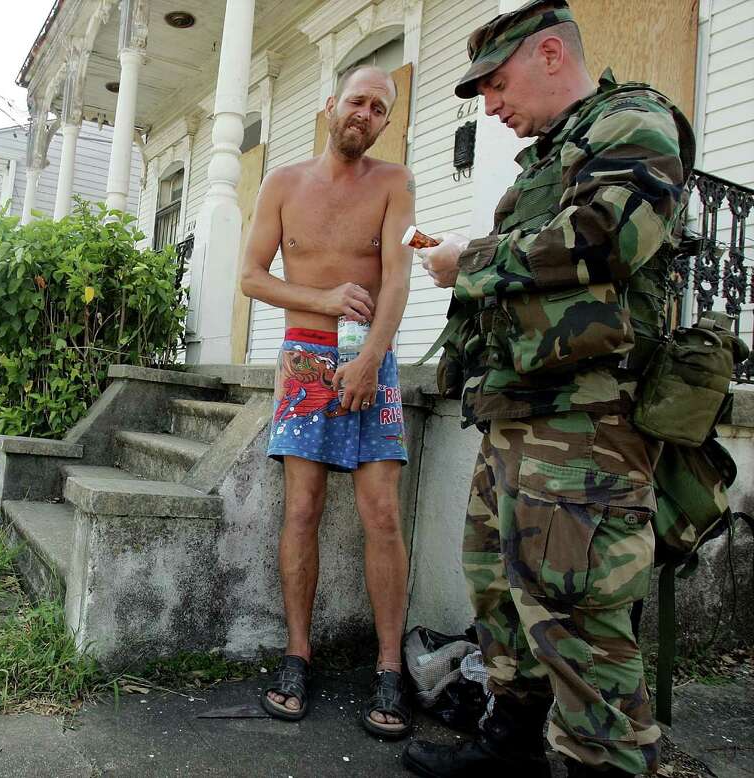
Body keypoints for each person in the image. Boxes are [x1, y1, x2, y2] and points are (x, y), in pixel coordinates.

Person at [404, 2, 694, 776]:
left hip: (586, 426)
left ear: (551, 56)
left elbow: (609, 234)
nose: (491, 106)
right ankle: (512, 747)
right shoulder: (548, 159)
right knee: (500, 592)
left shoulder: (633, 123)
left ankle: (605, 764)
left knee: (577, 618)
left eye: (497, 84)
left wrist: (470, 260)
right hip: (519, 415)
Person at [240, 65, 416, 737]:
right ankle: (297, 656)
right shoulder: (281, 183)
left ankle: (391, 669)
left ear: (386, 120)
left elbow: (397, 278)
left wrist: (371, 357)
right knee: (303, 508)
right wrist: (321, 298)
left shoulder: (395, 183)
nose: (365, 113)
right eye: (356, 101)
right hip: (305, 355)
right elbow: (252, 277)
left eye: (379, 107)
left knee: (381, 513)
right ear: (329, 106)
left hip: (373, 361)